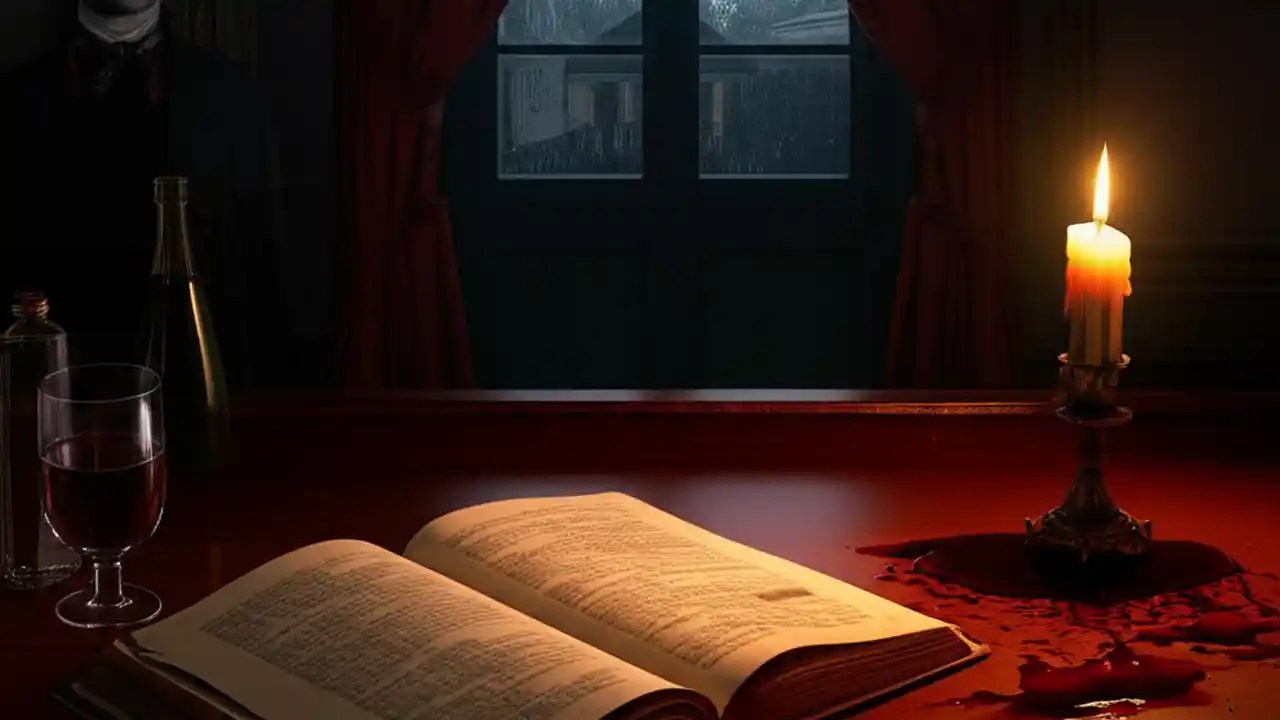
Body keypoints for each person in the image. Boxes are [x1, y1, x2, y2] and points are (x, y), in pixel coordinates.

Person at [0, 0, 289, 387]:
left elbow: (263, 281)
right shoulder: (13, 104)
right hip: (58, 405)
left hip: (199, 397)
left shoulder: (237, 100)